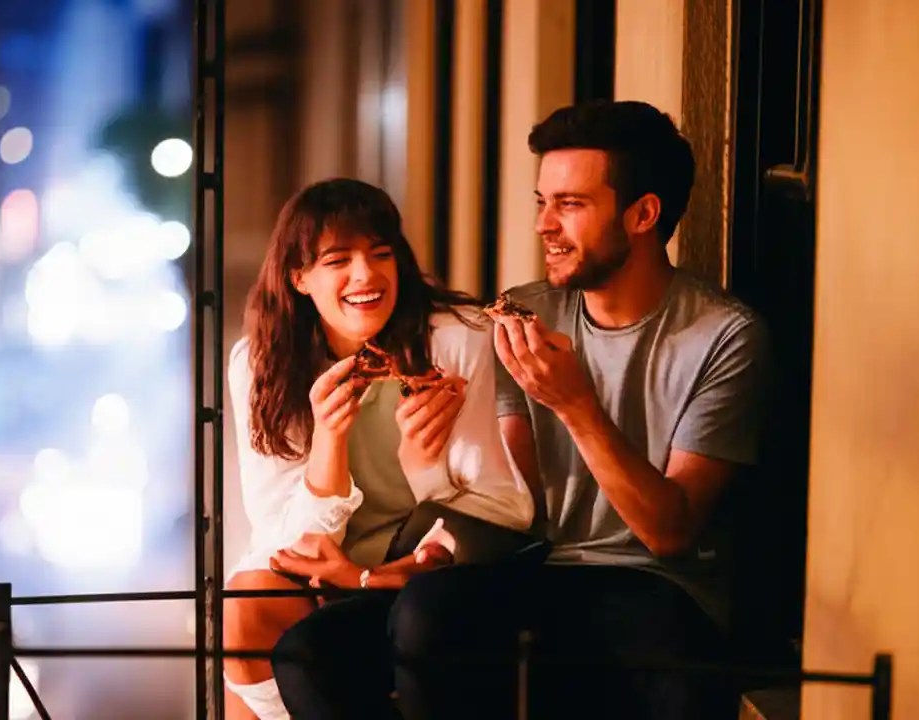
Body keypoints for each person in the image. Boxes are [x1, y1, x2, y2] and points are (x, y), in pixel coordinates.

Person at [385, 100, 771, 719]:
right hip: (542, 566)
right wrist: (434, 460)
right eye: (542, 201)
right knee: (369, 631)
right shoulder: (526, 310)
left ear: (643, 214)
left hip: (660, 587)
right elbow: (522, 499)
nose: (543, 225)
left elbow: (668, 531)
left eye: (570, 204)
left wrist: (575, 403)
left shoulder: (724, 336)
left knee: (660, 667)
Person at [224, 178, 534, 720]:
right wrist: (329, 439)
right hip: (318, 570)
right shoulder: (261, 363)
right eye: (338, 260)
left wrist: (426, 467)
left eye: (381, 254)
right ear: (299, 278)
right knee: (243, 608)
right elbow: (284, 538)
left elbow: (502, 506)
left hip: (420, 565)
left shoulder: (455, 341)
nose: (365, 274)